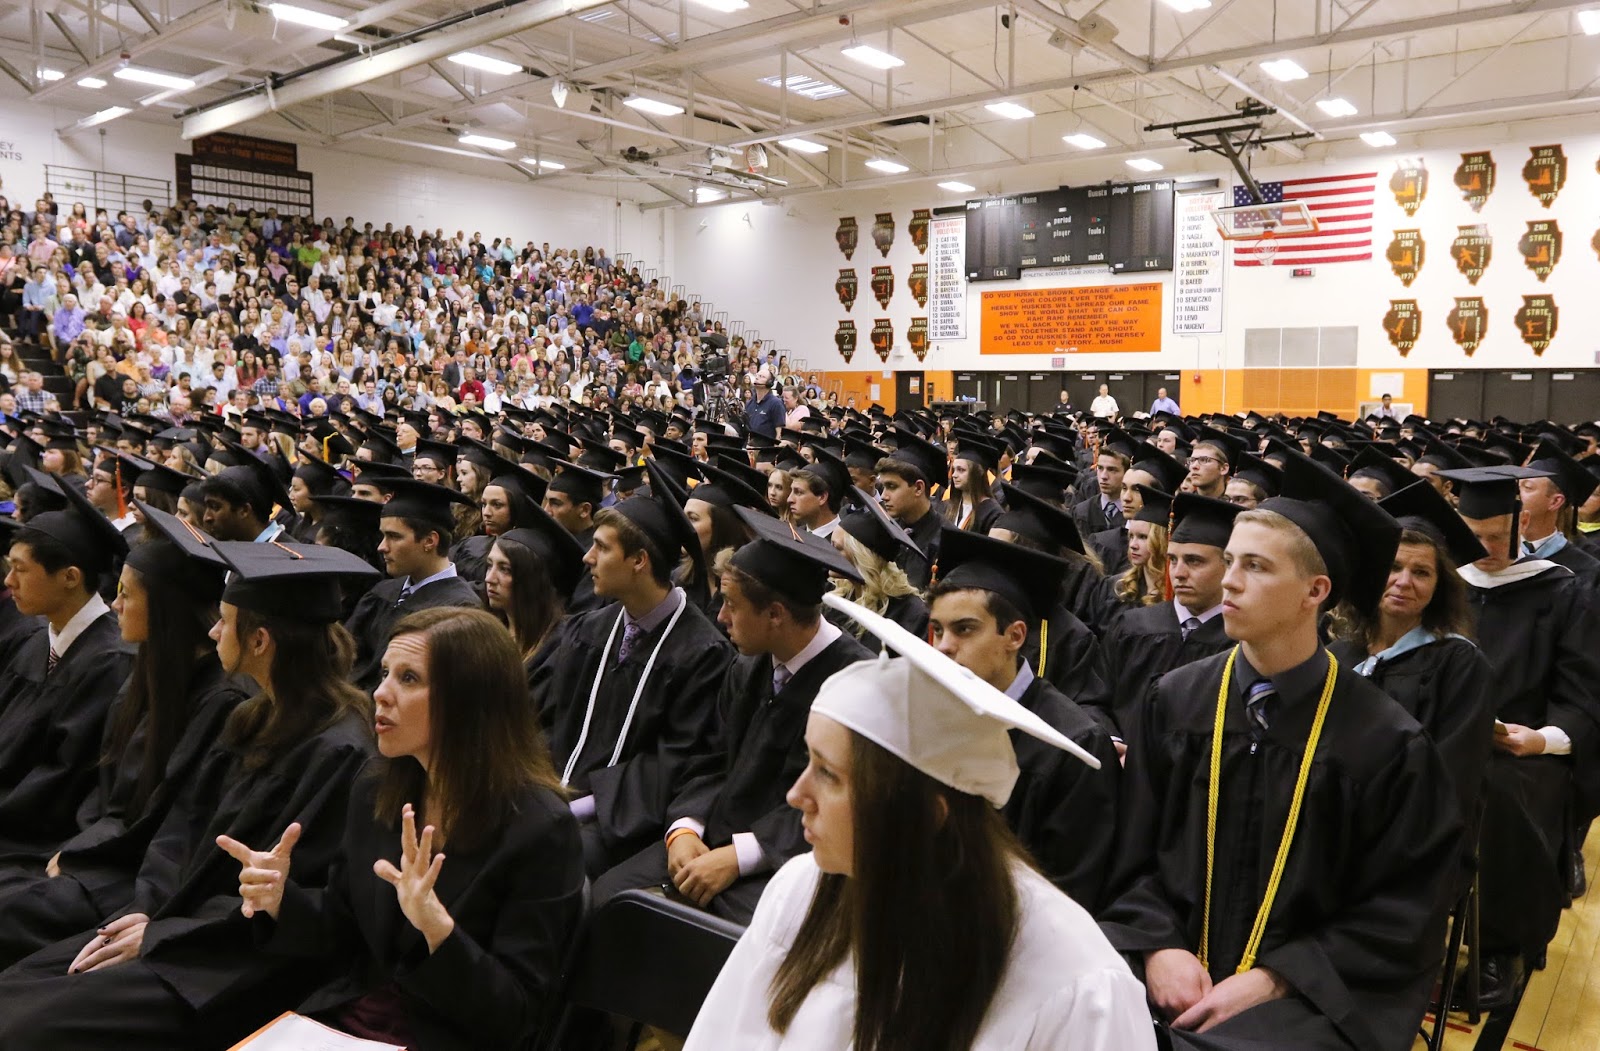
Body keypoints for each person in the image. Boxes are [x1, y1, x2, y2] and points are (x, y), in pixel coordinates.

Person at [1100, 451, 1463, 1050]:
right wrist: (1158, 943)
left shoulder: (1384, 742)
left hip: (1313, 995)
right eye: (1232, 561)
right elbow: (1130, 852)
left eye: (1257, 567)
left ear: (1314, 591)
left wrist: (1277, 979)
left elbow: (1404, 911)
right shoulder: (1177, 701)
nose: (1229, 581)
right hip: (1166, 965)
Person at [684, 595, 1154, 1050]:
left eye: (827, 774)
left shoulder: (1076, 984)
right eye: (808, 762)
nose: (795, 796)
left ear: (930, 814)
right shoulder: (802, 889)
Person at [0, 540, 378, 1048]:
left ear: (260, 640)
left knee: (25, 1027)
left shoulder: (340, 751)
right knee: (17, 985)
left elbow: (296, 903)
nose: (213, 631)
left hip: (230, 965)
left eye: (224, 621)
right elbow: (180, 828)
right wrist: (149, 911)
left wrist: (162, 933)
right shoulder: (253, 716)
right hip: (176, 927)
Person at [218, 607, 585, 1050]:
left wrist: (438, 930)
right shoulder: (377, 786)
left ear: (468, 701)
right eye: (386, 672)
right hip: (351, 1020)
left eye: (408, 679)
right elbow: (343, 928)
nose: (380, 693)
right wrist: (281, 901)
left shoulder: (541, 827)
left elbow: (516, 1015)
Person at [594, 508, 872, 922]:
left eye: (731, 604)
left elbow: (835, 802)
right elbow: (710, 757)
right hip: (711, 837)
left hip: (791, 862)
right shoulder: (748, 667)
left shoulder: (855, 686)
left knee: (710, 940)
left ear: (775, 614)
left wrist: (738, 857)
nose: (720, 617)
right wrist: (685, 829)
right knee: (607, 900)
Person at [0, 503, 245, 970]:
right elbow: (107, 788)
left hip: (130, 874)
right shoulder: (146, 676)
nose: (116, 605)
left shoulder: (218, 699)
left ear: (166, 607)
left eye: (127, 595)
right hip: (95, 850)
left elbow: (174, 819)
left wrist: (78, 851)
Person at [1438, 465, 1600, 1008]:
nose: (1481, 549)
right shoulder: (1443, 586)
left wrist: (1546, 738)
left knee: (1499, 789)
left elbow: (1583, 691)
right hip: (1437, 739)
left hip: (1520, 749)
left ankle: (1498, 944)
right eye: (1470, 536)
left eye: (1492, 535)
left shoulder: (1561, 589)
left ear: (1520, 523)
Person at [529, 488, 734, 876]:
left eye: (602, 548)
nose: (587, 557)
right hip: (550, 793)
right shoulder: (587, 629)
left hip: (625, 823)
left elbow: (675, 761)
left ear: (639, 560)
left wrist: (577, 806)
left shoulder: (703, 654)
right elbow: (544, 715)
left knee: (546, 860)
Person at [926, 536, 1121, 910]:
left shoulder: (1072, 745)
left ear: (1015, 636)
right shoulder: (928, 718)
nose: (943, 646)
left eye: (964, 629)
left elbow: (1069, 892)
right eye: (937, 629)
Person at [1329, 480, 1495, 872]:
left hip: (1414, 846)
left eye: (1421, 572)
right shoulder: (1339, 655)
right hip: (1329, 825)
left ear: (1439, 587)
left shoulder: (1459, 664)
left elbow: (1451, 779)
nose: (1404, 582)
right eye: (1393, 567)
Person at [0, 479, 134, 859]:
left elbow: (63, 778)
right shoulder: (38, 639)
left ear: (70, 577)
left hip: (38, 836)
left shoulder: (110, 662)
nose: (9, 582)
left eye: (20, 570)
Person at [1097, 494, 1240, 745]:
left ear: (1228, 566)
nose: (1178, 573)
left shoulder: (1239, 644)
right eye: (1173, 559)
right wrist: (1110, 741)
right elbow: (1093, 697)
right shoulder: (1132, 626)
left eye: (1194, 561)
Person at [826, 488, 929, 646]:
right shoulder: (837, 599)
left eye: (838, 548)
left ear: (862, 557)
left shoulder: (909, 613)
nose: (830, 553)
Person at [874, 431, 946, 589]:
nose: (884, 496)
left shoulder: (944, 543)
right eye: (883, 487)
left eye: (892, 486)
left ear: (918, 488)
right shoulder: (884, 530)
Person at [745, 375, 784, 441]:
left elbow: (779, 429)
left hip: (766, 446)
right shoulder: (750, 402)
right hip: (749, 445)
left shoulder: (776, 403)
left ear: (769, 383)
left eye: (762, 376)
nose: (757, 377)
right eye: (757, 375)